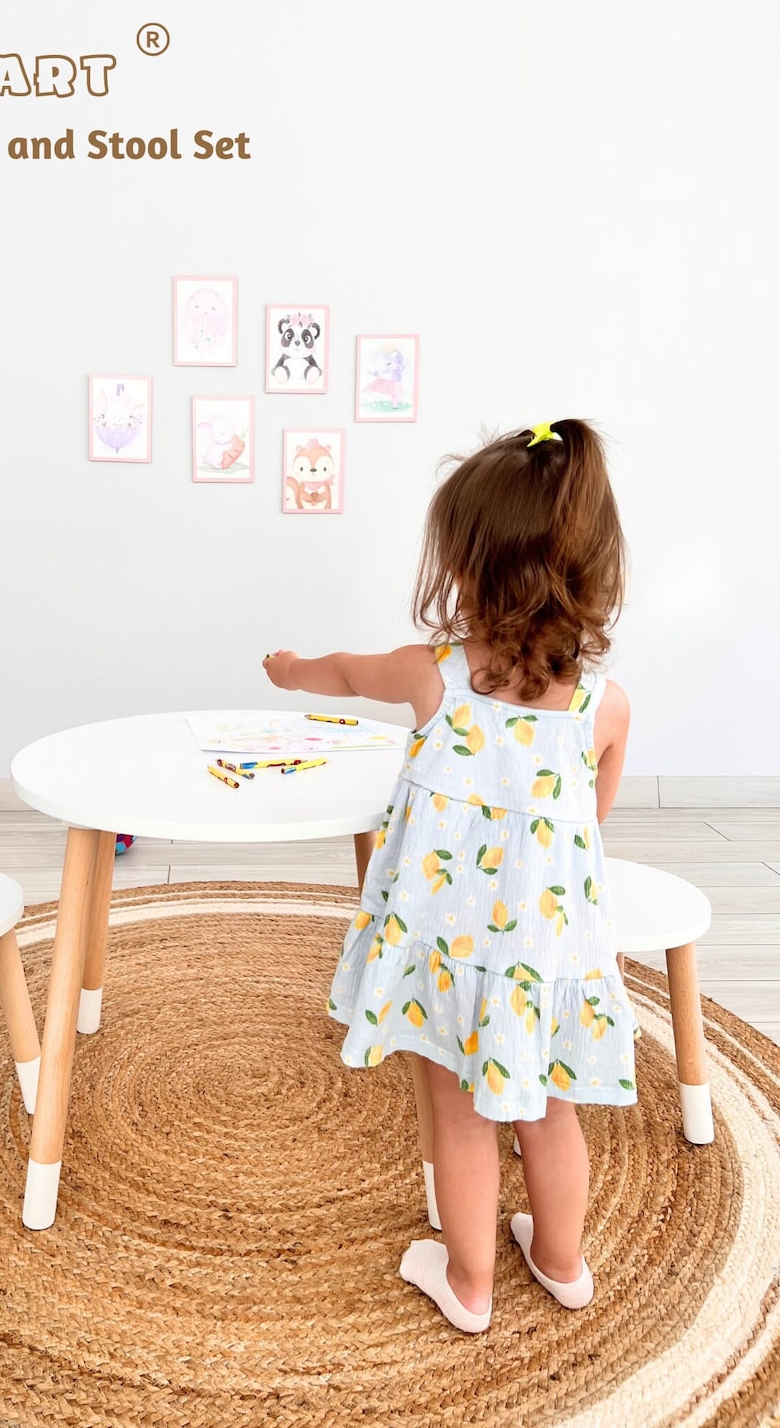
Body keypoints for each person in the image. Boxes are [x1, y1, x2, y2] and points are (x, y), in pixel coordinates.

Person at [262, 419, 633, 1334]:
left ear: (472, 569)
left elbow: (343, 673)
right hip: (543, 959)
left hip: (445, 954)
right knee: (548, 1108)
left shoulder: (437, 678)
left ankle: (468, 1284)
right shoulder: (603, 707)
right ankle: (561, 1262)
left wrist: (288, 668)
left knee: (461, 1114)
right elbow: (587, 830)